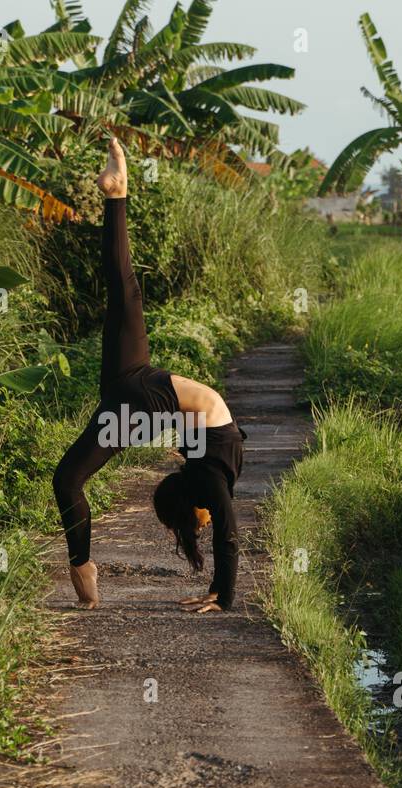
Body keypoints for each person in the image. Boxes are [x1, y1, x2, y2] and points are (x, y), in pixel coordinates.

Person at [52, 139, 247, 614]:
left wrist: (223, 595)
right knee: (124, 291)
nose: (201, 525)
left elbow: (226, 528)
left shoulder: (205, 477)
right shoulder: (205, 476)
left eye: (191, 525)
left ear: (188, 506)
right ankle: (115, 193)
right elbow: (227, 530)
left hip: (144, 396)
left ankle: (83, 568)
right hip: (140, 389)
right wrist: (222, 596)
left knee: (126, 293)